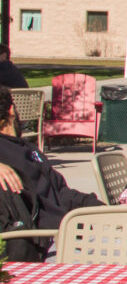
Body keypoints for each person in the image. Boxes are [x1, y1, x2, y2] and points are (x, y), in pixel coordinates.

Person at [0, 85, 101, 228]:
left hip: (73, 223)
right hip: (51, 236)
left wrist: (102, 209)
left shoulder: (28, 149)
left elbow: (61, 192)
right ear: (11, 110)